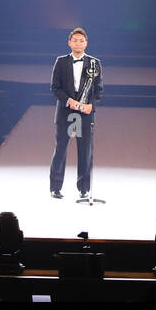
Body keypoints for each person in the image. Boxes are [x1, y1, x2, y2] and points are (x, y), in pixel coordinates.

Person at [48, 27, 103, 199]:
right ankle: (55, 187)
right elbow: (55, 87)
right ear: (69, 43)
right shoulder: (61, 61)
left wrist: (91, 106)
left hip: (85, 113)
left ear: (86, 43)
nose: (78, 43)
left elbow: (98, 90)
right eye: (75, 40)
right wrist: (69, 101)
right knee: (61, 149)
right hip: (65, 111)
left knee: (85, 150)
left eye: (81, 40)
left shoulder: (94, 63)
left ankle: (84, 188)